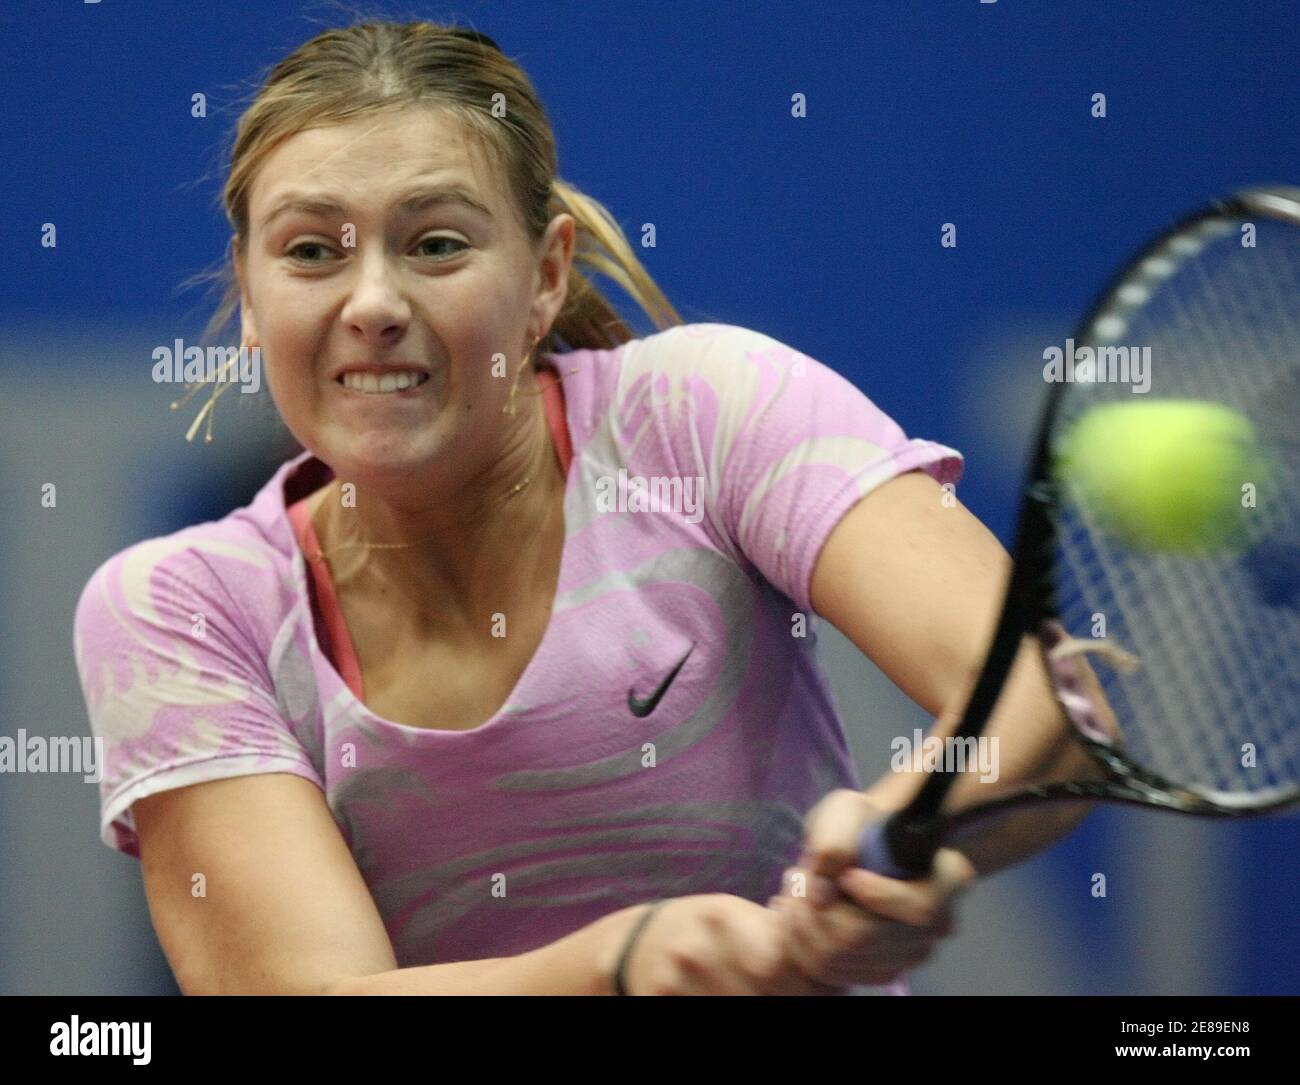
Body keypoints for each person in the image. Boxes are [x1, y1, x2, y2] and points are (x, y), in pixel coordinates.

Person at [73, 19, 1094, 996]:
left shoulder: (704, 410)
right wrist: (616, 967)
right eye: (309, 251)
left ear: (545, 276)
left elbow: (1034, 691)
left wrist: (898, 828)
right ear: (250, 296)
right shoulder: (181, 610)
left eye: (436, 244)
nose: (373, 302)